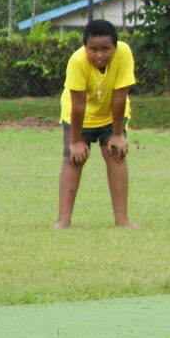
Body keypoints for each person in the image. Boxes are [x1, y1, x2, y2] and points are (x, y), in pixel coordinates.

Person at [55, 18, 138, 228]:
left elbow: (120, 96)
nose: (99, 55)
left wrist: (117, 135)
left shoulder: (124, 53)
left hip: (112, 114)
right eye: (93, 49)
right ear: (85, 48)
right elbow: (78, 105)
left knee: (115, 154)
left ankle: (122, 220)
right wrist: (75, 141)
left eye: (105, 49)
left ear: (115, 47)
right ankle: (63, 220)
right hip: (78, 114)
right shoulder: (77, 61)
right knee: (73, 159)